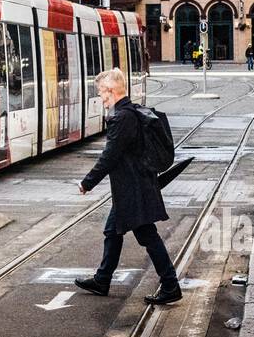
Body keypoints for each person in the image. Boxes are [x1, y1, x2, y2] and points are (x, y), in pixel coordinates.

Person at [74, 69, 183, 306]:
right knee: (112, 232)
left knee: (147, 236)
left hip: (134, 189)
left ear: (111, 91)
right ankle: (102, 279)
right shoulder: (129, 112)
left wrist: (87, 183)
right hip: (132, 187)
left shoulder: (122, 118)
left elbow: (110, 156)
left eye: (101, 92)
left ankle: (171, 285)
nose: (100, 97)